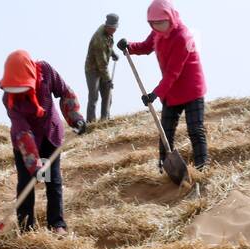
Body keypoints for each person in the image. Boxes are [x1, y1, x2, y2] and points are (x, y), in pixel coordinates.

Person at [0, 50, 87, 235]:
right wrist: (35, 166)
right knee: (26, 183)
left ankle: (57, 224)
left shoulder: (45, 71)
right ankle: (26, 228)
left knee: (52, 180)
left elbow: (65, 92)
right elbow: (23, 132)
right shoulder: (8, 99)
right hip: (25, 143)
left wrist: (75, 118)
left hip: (50, 133)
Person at [119, 0, 209, 170]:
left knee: (195, 130)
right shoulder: (157, 33)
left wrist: (155, 94)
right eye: (153, 23)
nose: (158, 27)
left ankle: (202, 168)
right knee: (165, 132)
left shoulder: (183, 37)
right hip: (171, 92)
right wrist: (128, 47)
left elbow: (173, 73)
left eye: (161, 22)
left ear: (171, 17)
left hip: (191, 89)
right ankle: (165, 167)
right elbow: (146, 47)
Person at [85, 13, 121, 123]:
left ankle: (105, 119)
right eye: (113, 28)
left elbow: (108, 45)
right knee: (94, 96)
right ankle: (91, 122)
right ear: (108, 26)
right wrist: (108, 80)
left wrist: (112, 53)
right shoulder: (99, 40)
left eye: (116, 28)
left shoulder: (108, 31)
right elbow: (102, 64)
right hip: (93, 70)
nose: (115, 30)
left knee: (107, 92)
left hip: (102, 68)